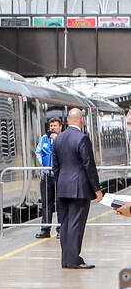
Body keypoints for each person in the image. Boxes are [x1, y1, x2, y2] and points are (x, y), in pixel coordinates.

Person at [51, 106, 102, 269]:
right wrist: (97, 189)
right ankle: (73, 260)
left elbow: (56, 167)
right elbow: (88, 165)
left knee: (65, 223)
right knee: (76, 224)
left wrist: (60, 184)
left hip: (63, 187)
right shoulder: (82, 138)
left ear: (67, 121)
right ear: (81, 120)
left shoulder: (58, 139)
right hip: (79, 188)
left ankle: (66, 259)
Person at [33, 115, 63, 238]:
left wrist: (56, 139)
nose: (52, 128)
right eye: (51, 126)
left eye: (55, 126)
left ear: (60, 127)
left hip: (60, 175)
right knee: (46, 203)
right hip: (47, 176)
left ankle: (61, 230)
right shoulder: (44, 139)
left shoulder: (63, 138)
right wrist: (42, 164)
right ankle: (45, 230)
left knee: (60, 203)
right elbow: (38, 152)